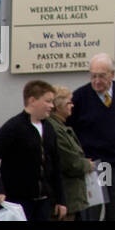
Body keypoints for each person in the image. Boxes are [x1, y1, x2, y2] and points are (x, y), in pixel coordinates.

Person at [0, 80, 67, 221]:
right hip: (17, 202)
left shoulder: (49, 129)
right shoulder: (14, 127)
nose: (52, 106)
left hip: (43, 202)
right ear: (32, 100)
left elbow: (56, 165)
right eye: (48, 101)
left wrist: (61, 199)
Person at [70, 53, 115, 220]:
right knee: (92, 212)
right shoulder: (80, 97)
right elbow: (69, 133)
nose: (96, 81)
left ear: (112, 75)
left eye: (101, 76)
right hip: (97, 164)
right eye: (93, 76)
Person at [47, 86, 93, 220]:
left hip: (70, 199)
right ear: (58, 106)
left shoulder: (59, 126)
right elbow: (70, 163)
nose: (72, 106)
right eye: (69, 102)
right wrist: (87, 165)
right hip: (66, 199)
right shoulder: (55, 129)